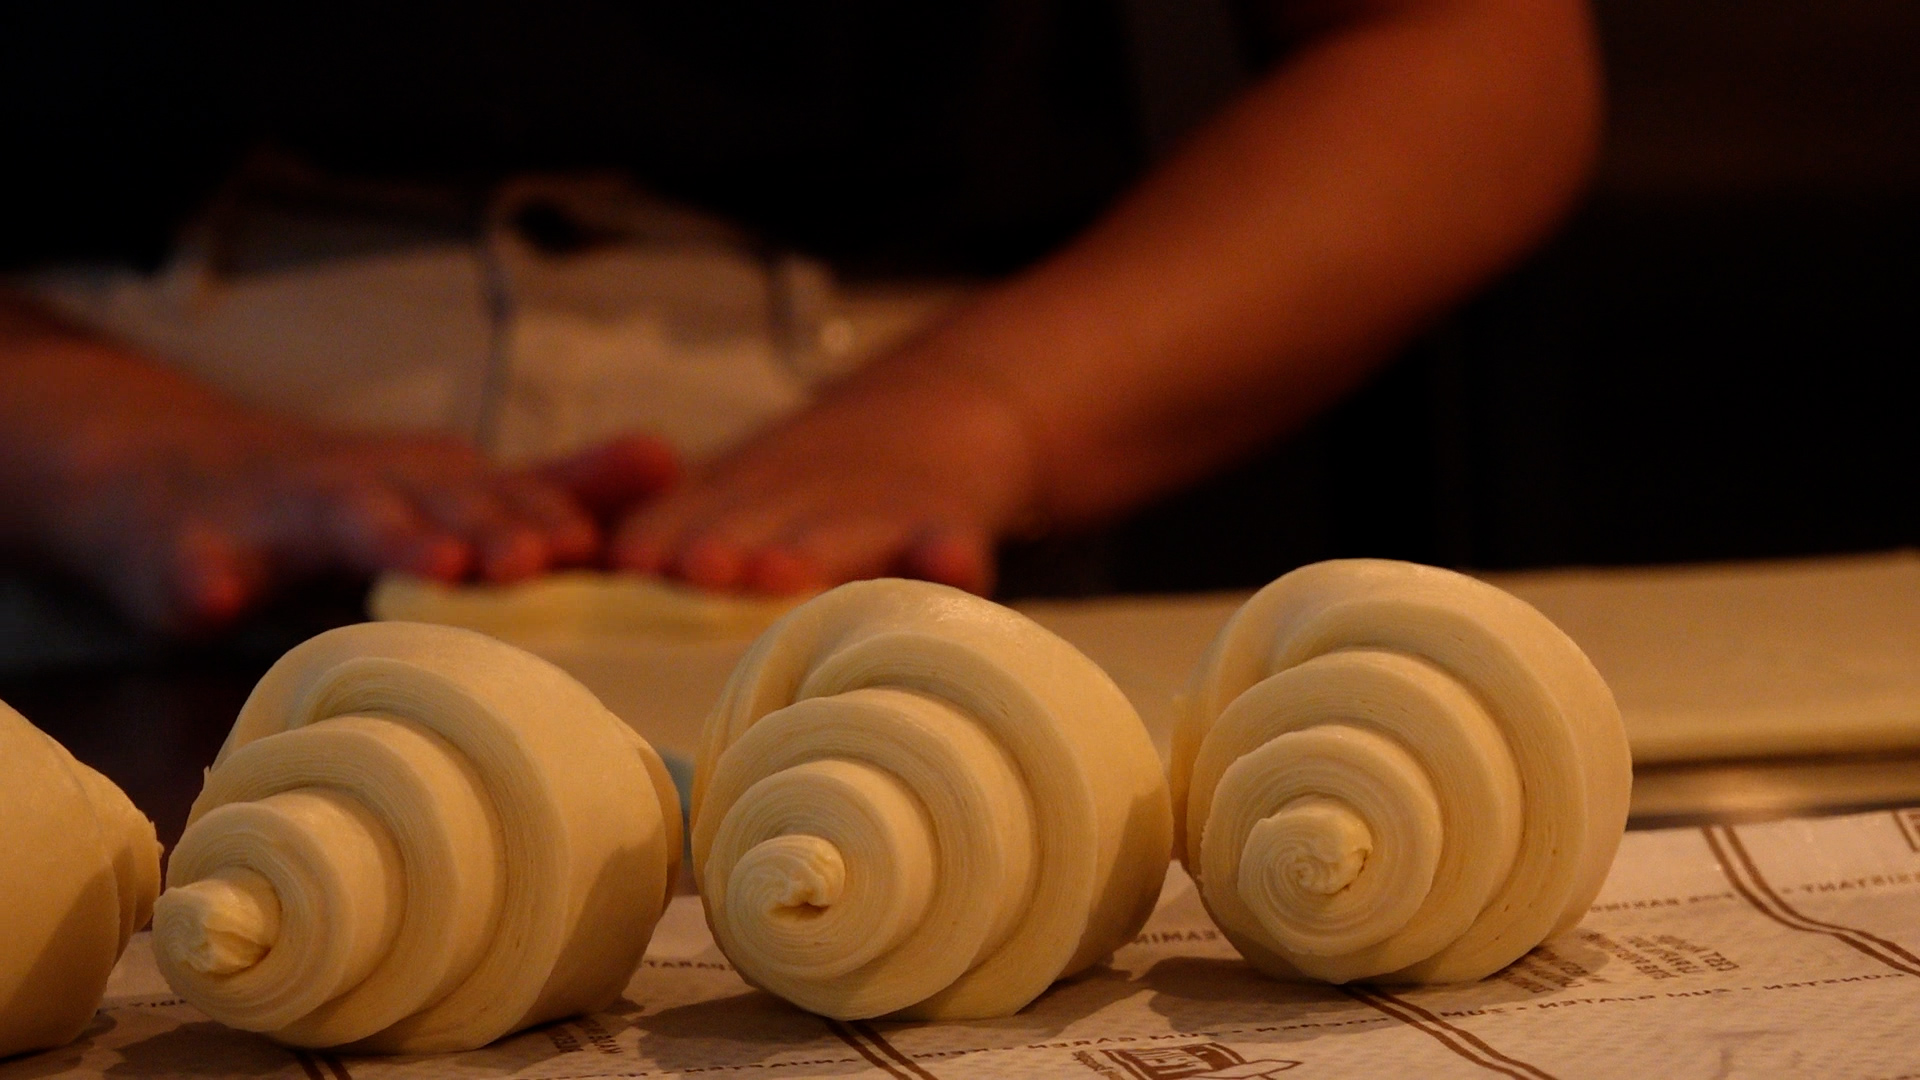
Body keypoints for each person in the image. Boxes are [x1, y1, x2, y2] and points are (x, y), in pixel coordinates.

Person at [0, 0, 1600, 634]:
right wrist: (86, 433)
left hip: (920, 458)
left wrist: (982, 410)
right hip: (88, 474)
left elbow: (1462, 51)